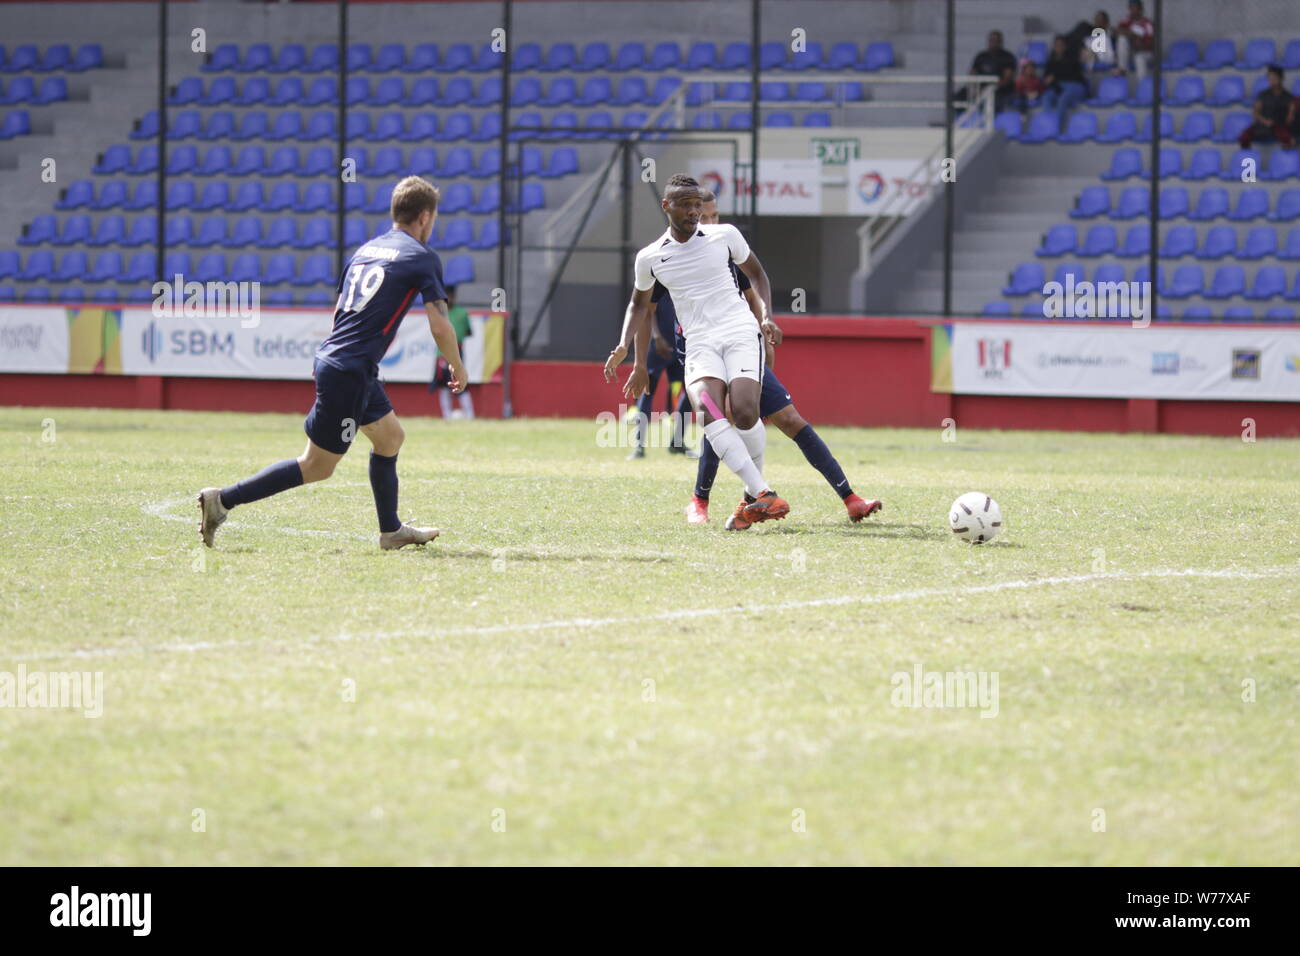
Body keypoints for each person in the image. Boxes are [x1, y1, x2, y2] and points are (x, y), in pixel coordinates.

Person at [196, 176, 468, 550]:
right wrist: (457, 365)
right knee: (317, 466)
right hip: (351, 370)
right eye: (434, 218)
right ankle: (222, 500)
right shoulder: (421, 257)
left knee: (390, 438)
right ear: (424, 216)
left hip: (347, 364)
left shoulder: (365, 251)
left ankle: (391, 531)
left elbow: (340, 311)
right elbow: (439, 325)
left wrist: (331, 354)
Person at [677, 191, 882, 525]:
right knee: (719, 419)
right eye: (704, 215)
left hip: (741, 346)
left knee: (788, 418)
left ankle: (850, 499)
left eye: (713, 215)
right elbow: (645, 306)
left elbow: (753, 291)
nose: (709, 222)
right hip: (703, 353)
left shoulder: (725, 251)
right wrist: (640, 357)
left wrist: (764, 325)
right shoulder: (668, 258)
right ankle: (700, 501)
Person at [603, 174, 787, 532]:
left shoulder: (725, 236)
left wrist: (765, 316)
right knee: (708, 410)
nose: (694, 212)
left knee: (747, 412)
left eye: (698, 206)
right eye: (686, 205)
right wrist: (624, 346)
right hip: (700, 343)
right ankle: (763, 493)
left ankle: (754, 497)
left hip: (739, 333)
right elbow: (639, 305)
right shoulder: (651, 257)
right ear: (666, 206)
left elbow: (758, 276)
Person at [628, 283, 696, 459]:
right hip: (657, 348)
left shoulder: (684, 280)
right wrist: (657, 337)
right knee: (647, 392)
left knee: (689, 392)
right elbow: (647, 311)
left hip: (679, 347)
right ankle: (639, 445)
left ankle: (677, 442)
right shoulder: (657, 277)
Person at [429, 284, 475, 419]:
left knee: (461, 382)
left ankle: (469, 415)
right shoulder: (439, 314)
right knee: (443, 386)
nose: (449, 299)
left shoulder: (462, 314)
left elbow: (468, 332)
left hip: (457, 353)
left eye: (451, 296)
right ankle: (447, 416)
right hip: (441, 354)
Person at [1239, 65, 1295, 149]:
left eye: (1274, 78)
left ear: (1281, 78)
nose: (1271, 81)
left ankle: (1283, 158)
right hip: (1262, 125)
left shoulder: (1288, 97)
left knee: (1288, 139)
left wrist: (1284, 123)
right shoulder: (1263, 95)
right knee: (1243, 137)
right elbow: (1255, 112)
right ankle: (1249, 157)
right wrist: (1265, 121)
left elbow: (1290, 117)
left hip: (1278, 125)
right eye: (1269, 78)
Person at [963, 30, 1018, 113]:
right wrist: (975, 87)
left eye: (997, 41)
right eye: (992, 40)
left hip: (1000, 90)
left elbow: (1007, 78)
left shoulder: (1007, 57)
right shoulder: (981, 56)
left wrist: (991, 88)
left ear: (1001, 42)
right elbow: (973, 72)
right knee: (959, 96)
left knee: (993, 99)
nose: (994, 43)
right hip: (981, 88)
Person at [1042, 34, 1088, 131]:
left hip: (1075, 86)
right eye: (1057, 45)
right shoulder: (1051, 62)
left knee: (1063, 99)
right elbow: (1047, 79)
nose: (1059, 47)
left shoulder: (1072, 59)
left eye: (1061, 45)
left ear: (1065, 46)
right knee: (1046, 97)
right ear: (1053, 46)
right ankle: (1049, 127)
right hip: (1058, 87)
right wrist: (1050, 80)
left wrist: (1054, 77)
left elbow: (1072, 75)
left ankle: (1057, 129)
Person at [1115, 0, 1154, 80]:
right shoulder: (1128, 20)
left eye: (1134, 8)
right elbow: (1118, 30)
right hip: (1132, 52)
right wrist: (1132, 35)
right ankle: (1122, 69)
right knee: (1122, 39)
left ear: (1141, 9)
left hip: (1146, 53)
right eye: (1131, 8)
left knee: (1139, 58)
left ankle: (1142, 86)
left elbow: (1151, 44)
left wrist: (1140, 43)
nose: (1132, 10)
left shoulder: (1147, 23)